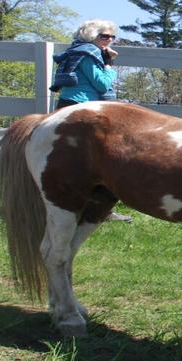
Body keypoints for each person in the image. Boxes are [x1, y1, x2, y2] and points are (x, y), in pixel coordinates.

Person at [51, 20, 130, 220]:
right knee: (96, 162)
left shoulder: (78, 51)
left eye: (112, 36)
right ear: (91, 36)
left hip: (68, 105)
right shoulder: (89, 54)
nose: (109, 40)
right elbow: (102, 84)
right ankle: (96, 209)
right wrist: (109, 65)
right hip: (82, 110)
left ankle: (76, 207)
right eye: (104, 36)